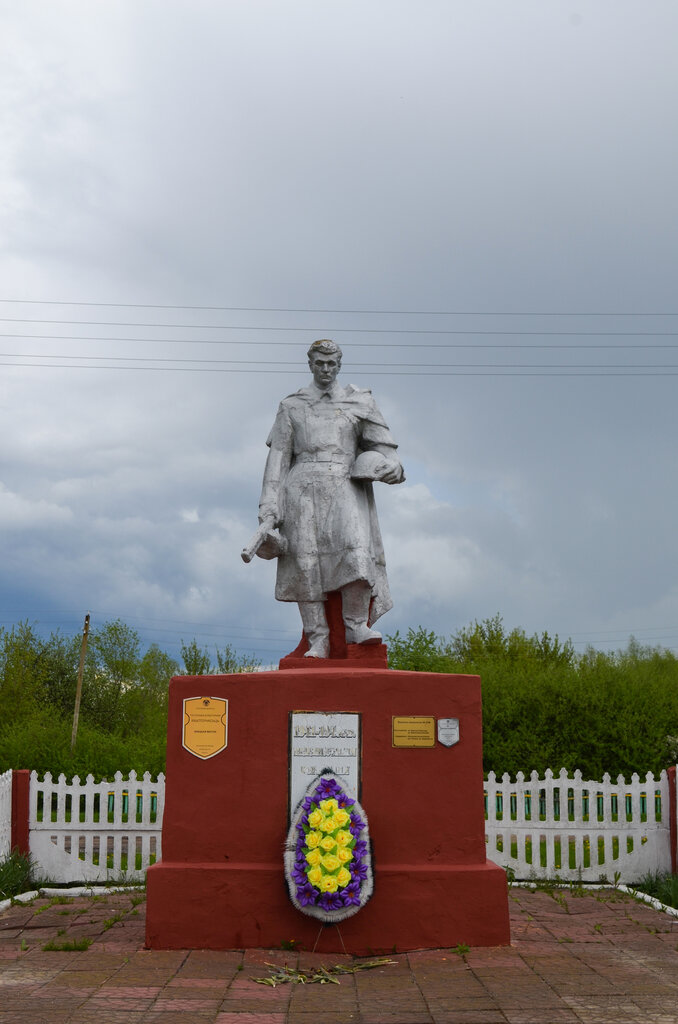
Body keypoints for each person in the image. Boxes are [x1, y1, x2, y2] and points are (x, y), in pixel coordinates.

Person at [254, 339, 404, 658]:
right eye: (320, 363)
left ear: (339, 365)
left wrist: (393, 467)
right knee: (304, 562)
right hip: (300, 487)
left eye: (331, 363)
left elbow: (386, 450)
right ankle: (317, 638)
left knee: (356, 552)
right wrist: (269, 506)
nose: (326, 369)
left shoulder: (358, 401)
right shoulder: (291, 405)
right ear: (310, 364)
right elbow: (278, 458)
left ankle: (355, 625)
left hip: (345, 482)